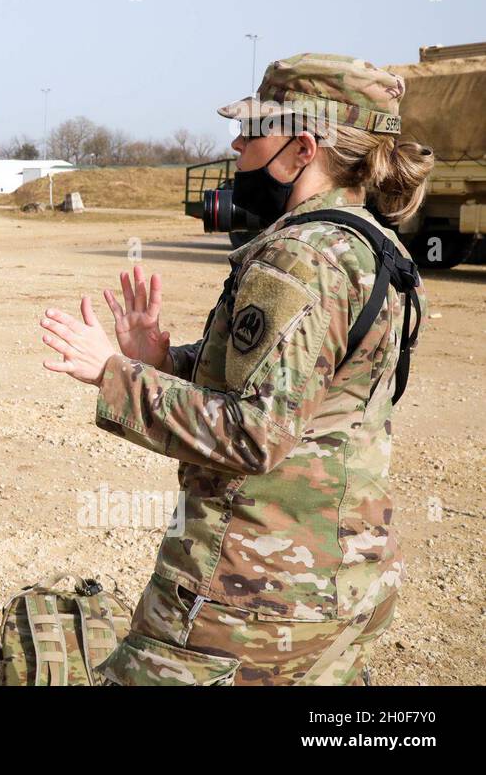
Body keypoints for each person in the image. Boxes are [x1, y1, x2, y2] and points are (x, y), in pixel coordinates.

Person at [39, 54, 432, 685]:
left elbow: (255, 433)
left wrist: (112, 372)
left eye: (255, 133)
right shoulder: (369, 244)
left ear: (303, 149)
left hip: (256, 593)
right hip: (347, 579)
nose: (237, 144)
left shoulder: (299, 259)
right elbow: (307, 389)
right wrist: (166, 361)